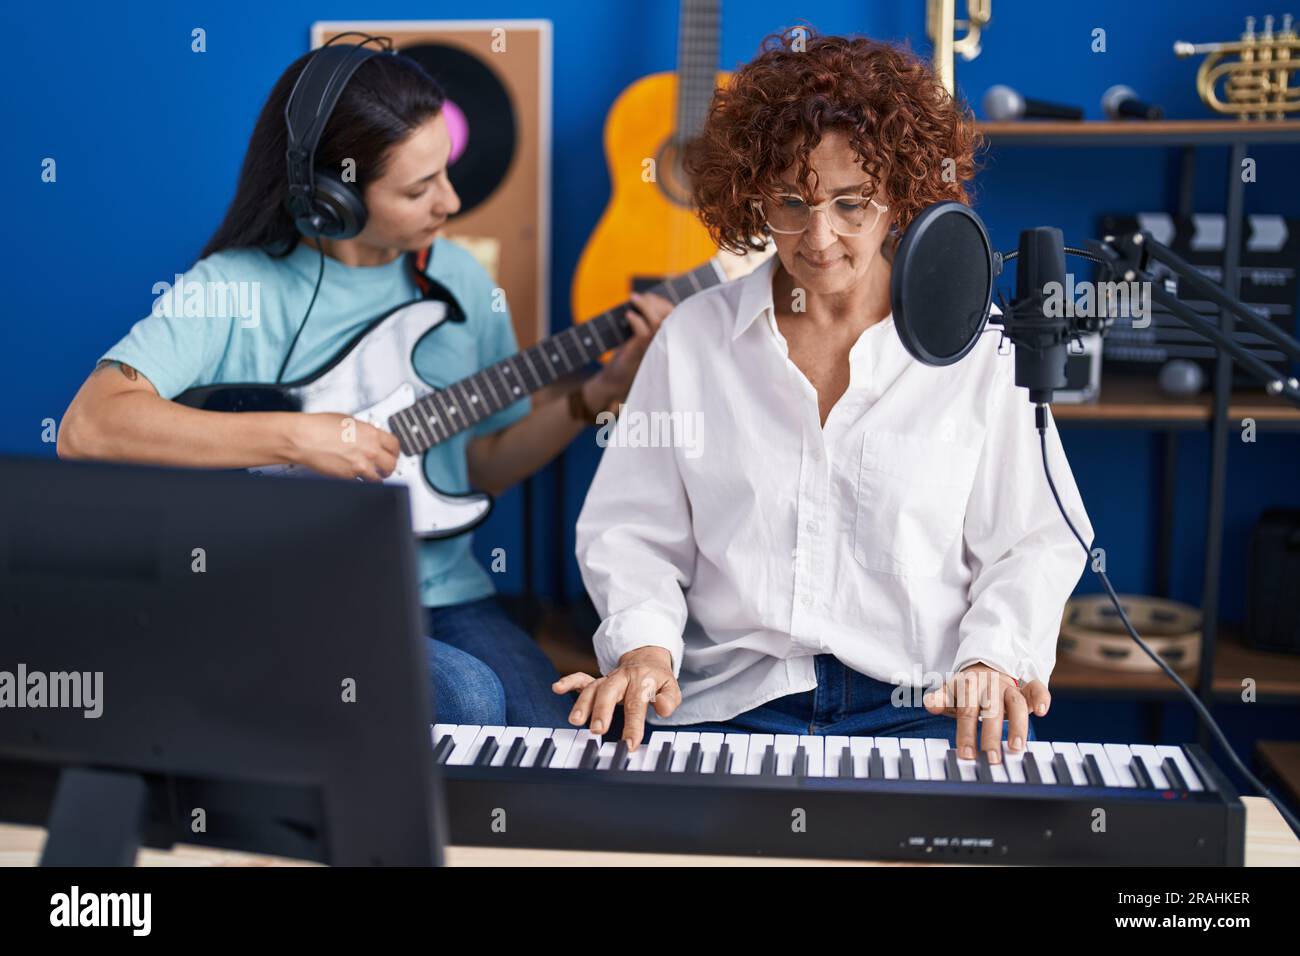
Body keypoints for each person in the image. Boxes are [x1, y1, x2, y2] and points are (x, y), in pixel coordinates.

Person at [56, 38, 672, 728]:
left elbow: (481, 466)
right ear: (331, 195)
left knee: (549, 729)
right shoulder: (231, 288)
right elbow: (90, 426)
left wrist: (598, 393)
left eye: (447, 171)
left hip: (447, 592)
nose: (451, 200)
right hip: (294, 600)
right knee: (468, 700)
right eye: (418, 188)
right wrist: (304, 436)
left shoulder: (461, 278)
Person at [556, 30, 1094, 764]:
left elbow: (1034, 539)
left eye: (851, 203)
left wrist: (992, 659)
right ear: (751, 195)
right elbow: (631, 531)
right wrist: (644, 650)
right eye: (789, 201)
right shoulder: (692, 340)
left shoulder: (978, 347)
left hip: (923, 710)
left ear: (900, 195)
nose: (819, 237)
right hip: (728, 709)